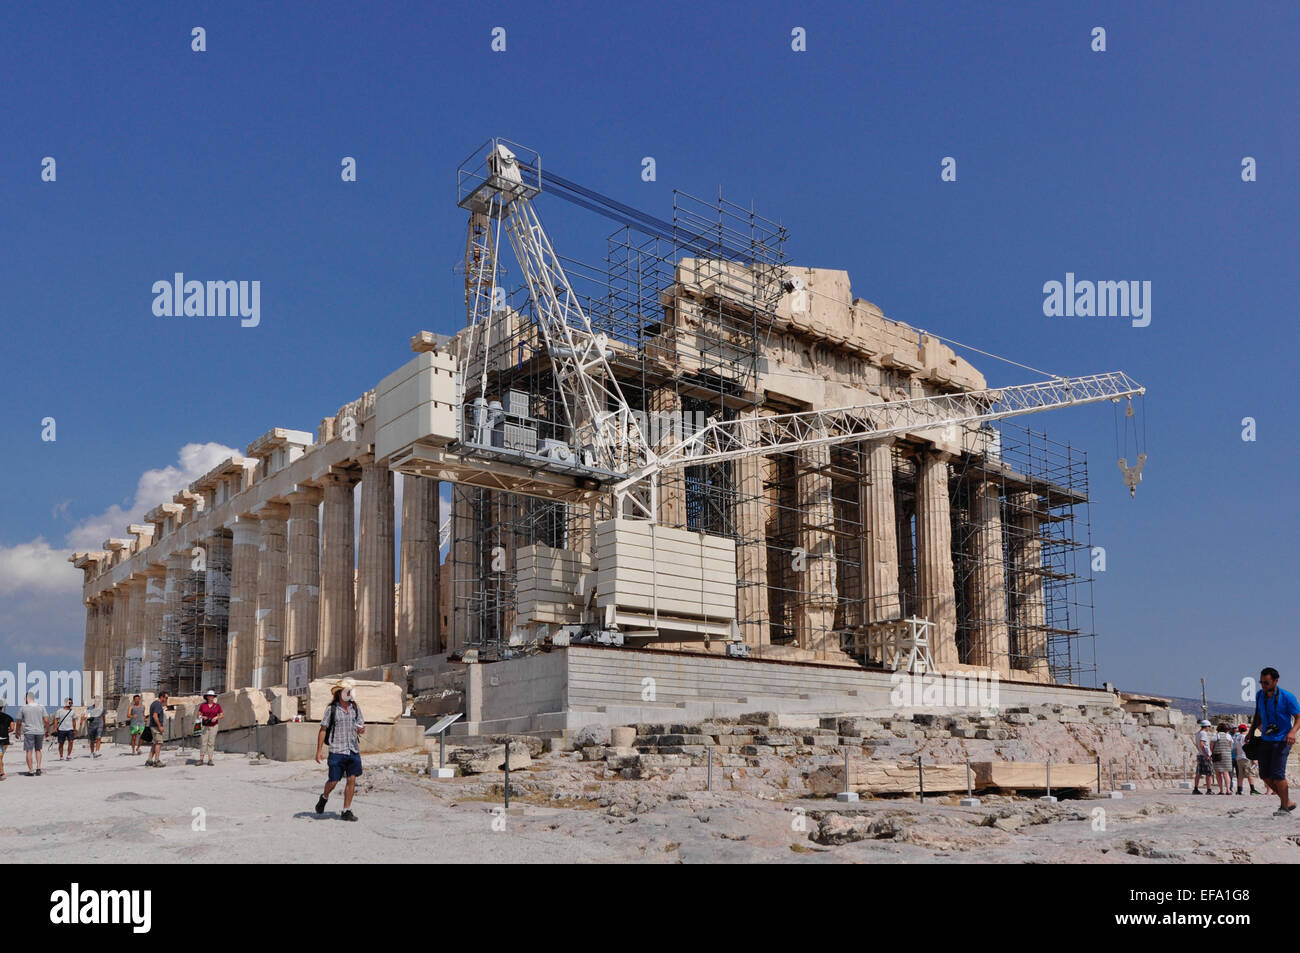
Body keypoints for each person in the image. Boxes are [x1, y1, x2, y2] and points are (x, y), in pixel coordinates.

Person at [1248, 667, 1300, 816]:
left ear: (1276, 681)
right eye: (1261, 682)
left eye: (1266, 682)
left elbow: (1298, 717)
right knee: (1265, 775)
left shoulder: (1287, 697)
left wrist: (1292, 732)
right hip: (1265, 739)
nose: (1263, 685)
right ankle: (1287, 802)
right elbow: (1257, 715)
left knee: (1278, 774)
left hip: (1283, 740)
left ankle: (1284, 808)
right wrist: (1251, 732)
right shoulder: (1260, 695)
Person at [314, 678, 365, 821]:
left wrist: (361, 730)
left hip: (353, 749)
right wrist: (319, 751)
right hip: (337, 750)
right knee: (333, 781)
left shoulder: (355, 708)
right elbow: (323, 729)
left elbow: (361, 725)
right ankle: (324, 797)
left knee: (352, 779)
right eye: (346, 691)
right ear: (339, 693)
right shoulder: (332, 709)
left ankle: (346, 810)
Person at [16, 693, 49, 777]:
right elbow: (46, 720)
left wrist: (17, 732)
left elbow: (19, 722)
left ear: (27, 698)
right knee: (38, 750)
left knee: (29, 751)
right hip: (40, 731)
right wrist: (47, 730)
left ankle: (31, 771)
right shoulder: (41, 707)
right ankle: (38, 768)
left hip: (29, 732)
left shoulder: (23, 708)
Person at [1233, 723, 1259, 795]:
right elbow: (1251, 748)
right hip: (1247, 758)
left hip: (1239, 758)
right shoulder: (1247, 737)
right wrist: (1254, 759)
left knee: (1240, 775)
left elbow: (1235, 749)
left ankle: (1239, 790)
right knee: (1250, 774)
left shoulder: (1236, 738)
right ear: (1246, 729)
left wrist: (1237, 755)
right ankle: (1252, 789)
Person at [197, 690, 222, 766]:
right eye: (210, 696)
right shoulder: (203, 705)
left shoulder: (217, 706)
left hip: (214, 726)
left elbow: (221, 715)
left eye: (213, 696)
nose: (211, 697)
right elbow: (198, 715)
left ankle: (210, 759)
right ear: (207, 697)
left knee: (211, 743)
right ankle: (201, 759)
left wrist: (216, 717)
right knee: (203, 742)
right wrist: (202, 717)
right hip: (205, 726)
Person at [145, 690, 169, 767]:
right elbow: (155, 716)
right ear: (162, 697)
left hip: (153, 726)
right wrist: (160, 726)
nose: (166, 699)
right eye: (166, 698)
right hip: (156, 727)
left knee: (155, 743)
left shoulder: (154, 703)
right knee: (159, 743)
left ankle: (149, 760)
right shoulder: (158, 705)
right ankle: (157, 760)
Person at [1192, 719, 1214, 794]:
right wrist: (1206, 755)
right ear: (1207, 726)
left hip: (1199, 754)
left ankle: (1195, 788)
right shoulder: (1203, 733)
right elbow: (1202, 744)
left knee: (1198, 772)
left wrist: (1200, 751)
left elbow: (1197, 745)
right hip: (1205, 755)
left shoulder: (1197, 733)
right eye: (1209, 727)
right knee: (1209, 773)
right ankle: (1209, 790)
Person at [1212, 723, 1234, 795]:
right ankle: (1228, 789)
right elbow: (1231, 746)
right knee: (1226, 773)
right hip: (1227, 756)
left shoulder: (1216, 736)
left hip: (1217, 755)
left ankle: (1221, 790)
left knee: (1218, 773)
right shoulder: (1229, 736)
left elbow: (1211, 746)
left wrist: (1212, 752)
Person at [0, 706, 14, 780]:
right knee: (0, 757)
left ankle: (2, 773)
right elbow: (12, 728)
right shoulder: (9, 717)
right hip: (5, 740)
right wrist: (6, 731)